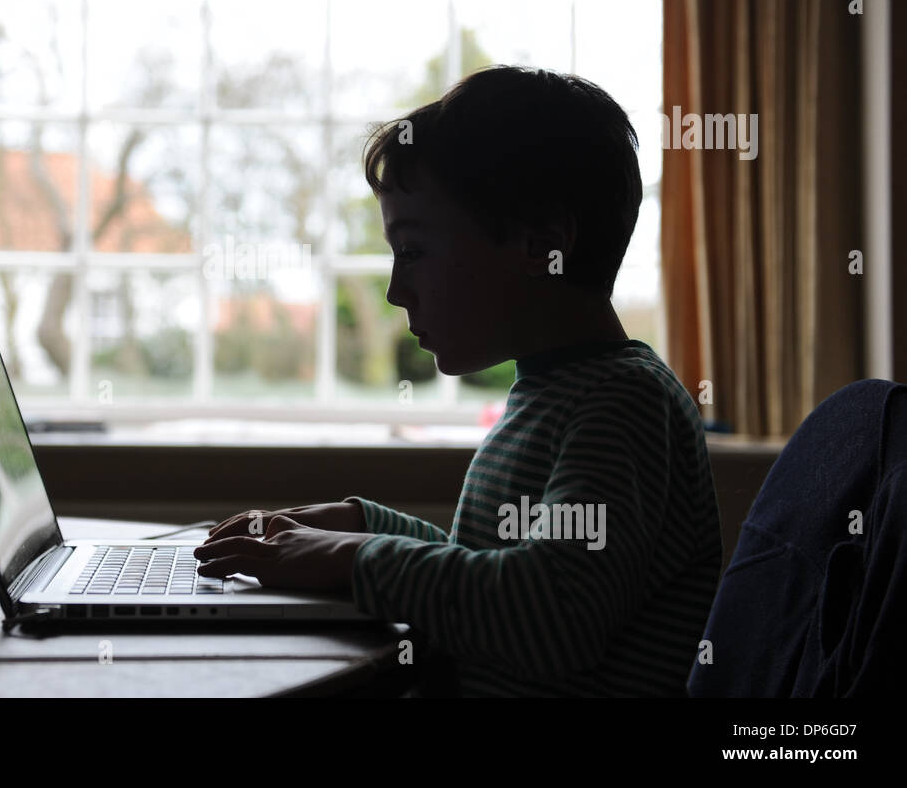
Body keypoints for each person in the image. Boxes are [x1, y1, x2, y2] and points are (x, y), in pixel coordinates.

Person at [195, 65, 723, 696]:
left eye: (414, 250)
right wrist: (362, 524)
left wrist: (347, 557)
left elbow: (550, 617)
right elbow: (492, 571)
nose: (395, 290)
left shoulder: (624, 405)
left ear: (540, 244)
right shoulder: (558, 391)